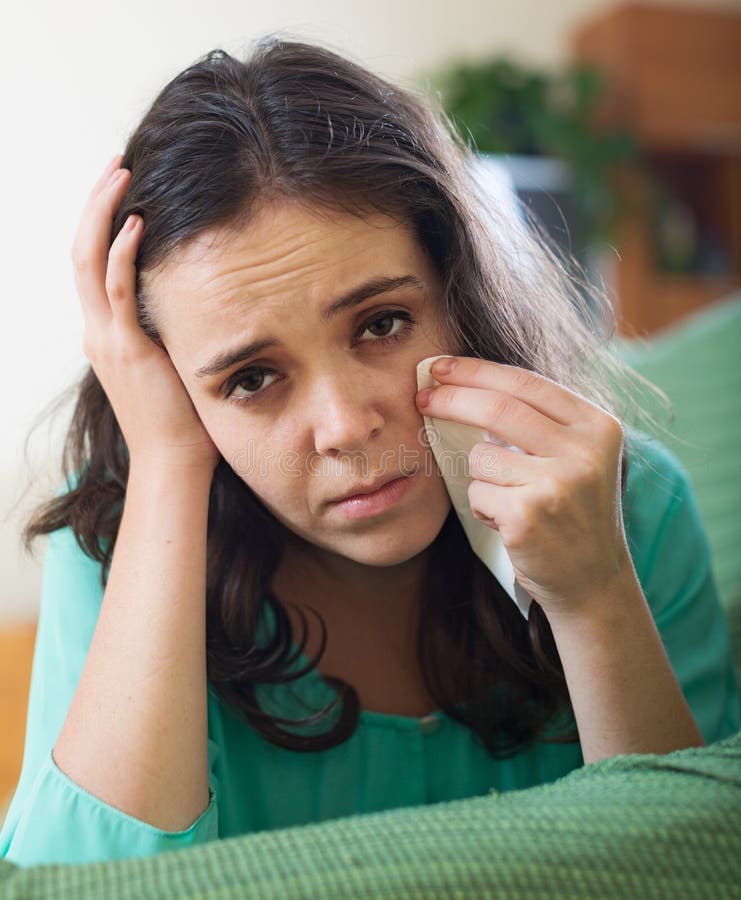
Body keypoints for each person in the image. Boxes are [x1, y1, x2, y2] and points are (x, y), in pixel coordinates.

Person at [1, 35, 739, 868]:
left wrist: (595, 593)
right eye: (250, 378)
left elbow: (694, 869)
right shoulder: (118, 541)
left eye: (382, 324)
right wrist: (169, 464)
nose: (346, 426)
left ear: (458, 297)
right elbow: (79, 887)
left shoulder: (628, 506)